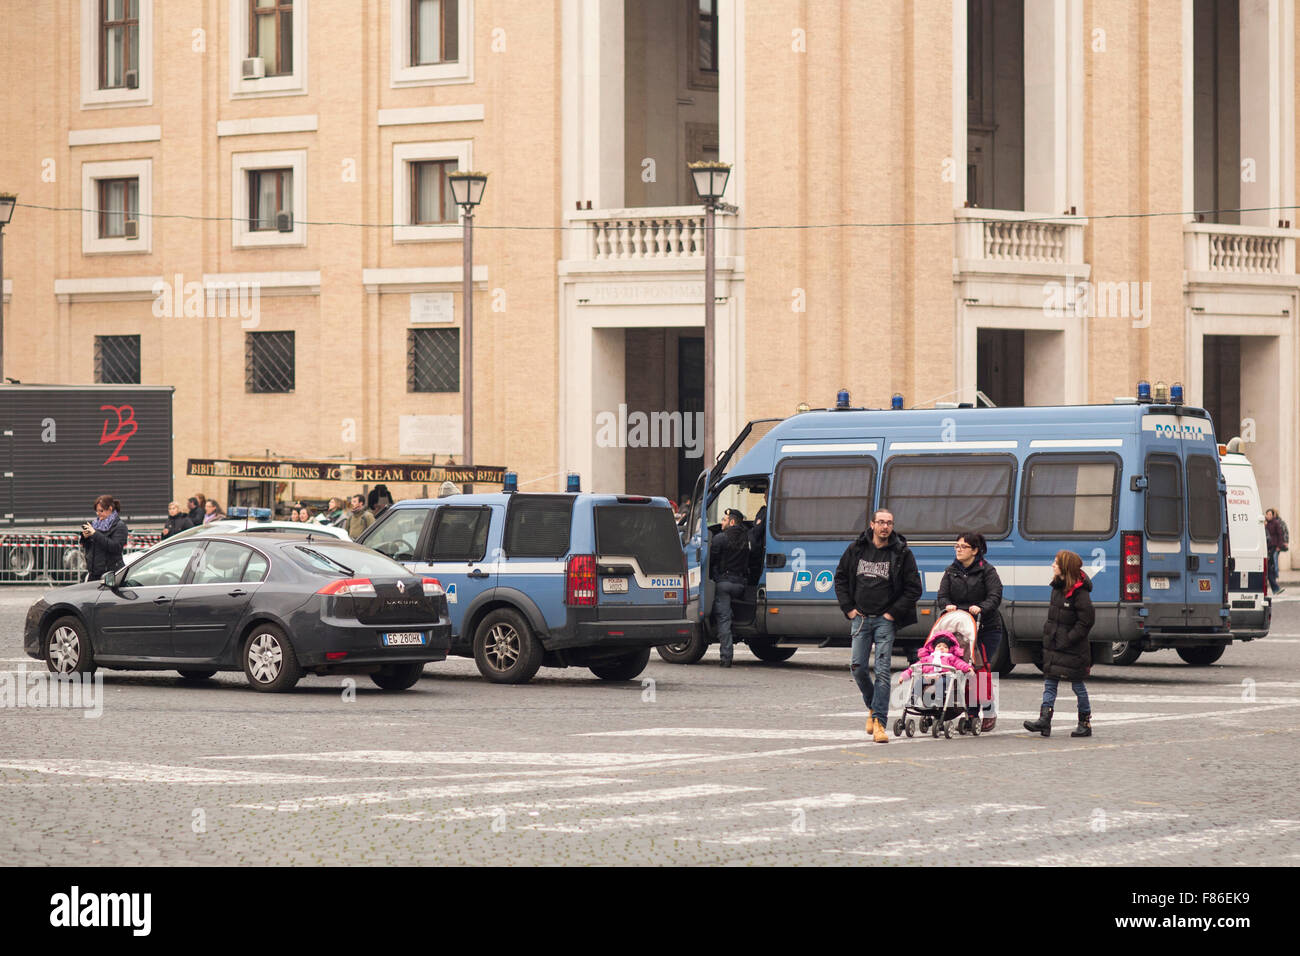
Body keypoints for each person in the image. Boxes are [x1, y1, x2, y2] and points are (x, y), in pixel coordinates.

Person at [833, 508, 922, 744]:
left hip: (885, 620)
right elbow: (840, 577)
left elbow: (914, 588)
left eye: (889, 523)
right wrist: (848, 608)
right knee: (858, 668)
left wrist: (893, 613)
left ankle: (880, 724)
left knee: (883, 671)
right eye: (881, 522)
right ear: (872, 524)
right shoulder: (857, 549)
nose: (885, 527)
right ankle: (873, 708)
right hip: (860, 618)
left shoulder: (902, 553)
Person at [936, 531, 1004, 731]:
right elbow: (942, 595)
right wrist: (947, 605)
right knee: (963, 670)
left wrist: (981, 606)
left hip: (986, 628)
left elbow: (995, 595)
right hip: (961, 628)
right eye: (956, 546)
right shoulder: (951, 571)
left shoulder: (987, 571)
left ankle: (988, 712)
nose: (958, 550)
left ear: (975, 550)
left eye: (963, 547)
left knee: (980, 670)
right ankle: (970, 713)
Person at [1024, 550, 1095, 738]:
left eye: (1055, 562)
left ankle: (1084, 722)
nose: (1052, 565)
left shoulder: (1080, 593)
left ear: (1065, 567)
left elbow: (1086, 621)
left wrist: (1069, 638)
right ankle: (1044, 720)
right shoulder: (1057, 588)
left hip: (1074, 648)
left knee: (1077, 685)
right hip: (1054, 644)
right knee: (1050, 682)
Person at [709, 508, 750, 667]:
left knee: (724, 619)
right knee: (730, 613)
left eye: (725, 520)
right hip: (740, 584)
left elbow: (711, 560)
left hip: (724, 584)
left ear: (732, 522)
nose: (722, 522)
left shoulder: (720, 538)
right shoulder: (747, 538)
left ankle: (726, 658)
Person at [899, 632, 973, 711]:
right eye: (939, 646)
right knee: (919, 682)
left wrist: (968, 668)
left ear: (949, 649)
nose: (941, 648)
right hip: (929, 677)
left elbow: (960, 663)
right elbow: (914, 668)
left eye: (945, 647)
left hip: (944, 677)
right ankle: (913, 698)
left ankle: (938, 700)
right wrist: (903, 676)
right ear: (934, 648)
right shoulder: (928, 658)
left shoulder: (951, 657)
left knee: (940, 683)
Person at [80, 494, 129, 582]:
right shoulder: (95, 524)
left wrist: (95, 534)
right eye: (96, 511)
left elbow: (115, 547)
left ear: (110, 509)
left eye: (101, 511)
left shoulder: (119, 526)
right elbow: (88, 547)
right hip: (94, 573)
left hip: (110, 573)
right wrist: (85, 537)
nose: (98, 514)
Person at [1265, 508, 1287, 595]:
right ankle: (1275, 588)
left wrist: (1279, 546)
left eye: (1270, 514)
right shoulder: (1265, 523)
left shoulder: (1275, 523)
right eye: (1267, 514)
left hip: (1273, 546)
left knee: (1271, 566)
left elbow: (1280, 534)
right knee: (1269, 568)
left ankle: (1275, 587)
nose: (1269, 516)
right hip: (1266, 548)